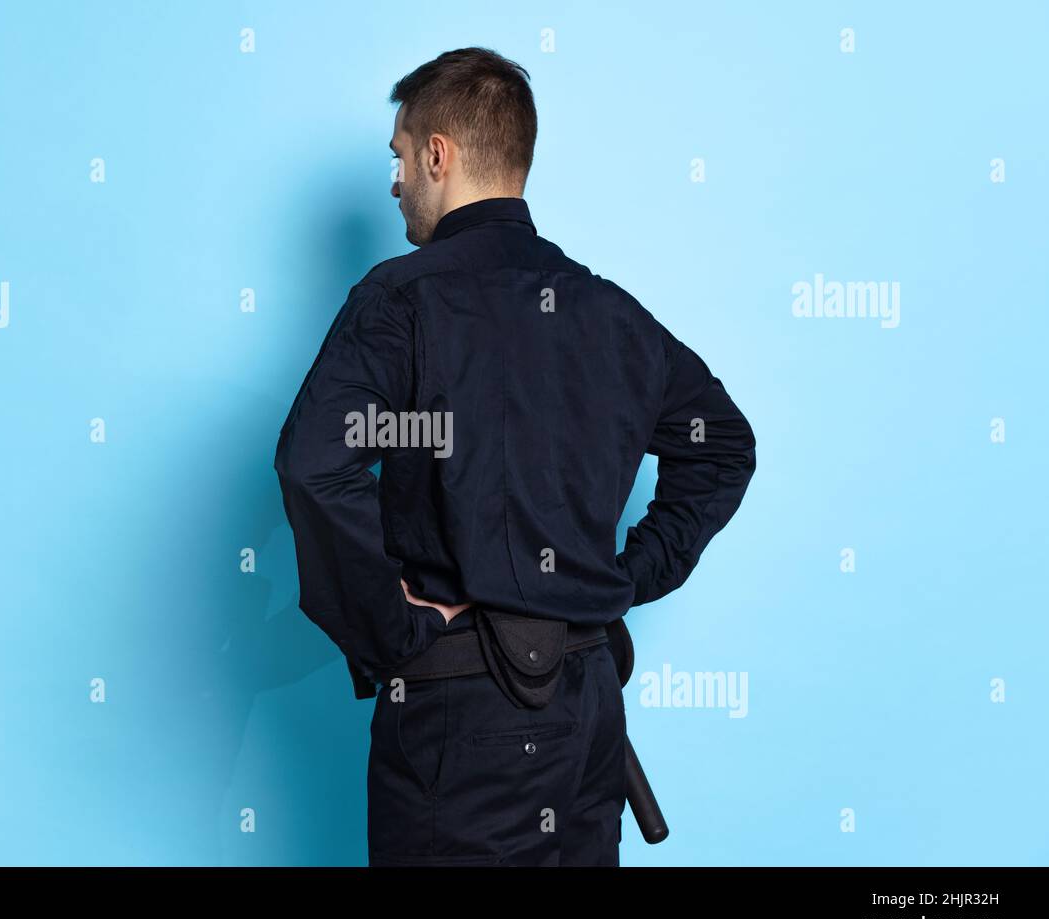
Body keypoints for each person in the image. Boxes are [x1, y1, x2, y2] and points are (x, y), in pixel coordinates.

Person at [274, 47, 757, 866]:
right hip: (589, 712)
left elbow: (314, 465)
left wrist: (396, 632)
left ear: (438, 154)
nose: (394, 180)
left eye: (398, 155)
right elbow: (724, 446)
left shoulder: (399, 300)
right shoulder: (611, 313)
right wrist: (622, 582)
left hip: (457, 718)